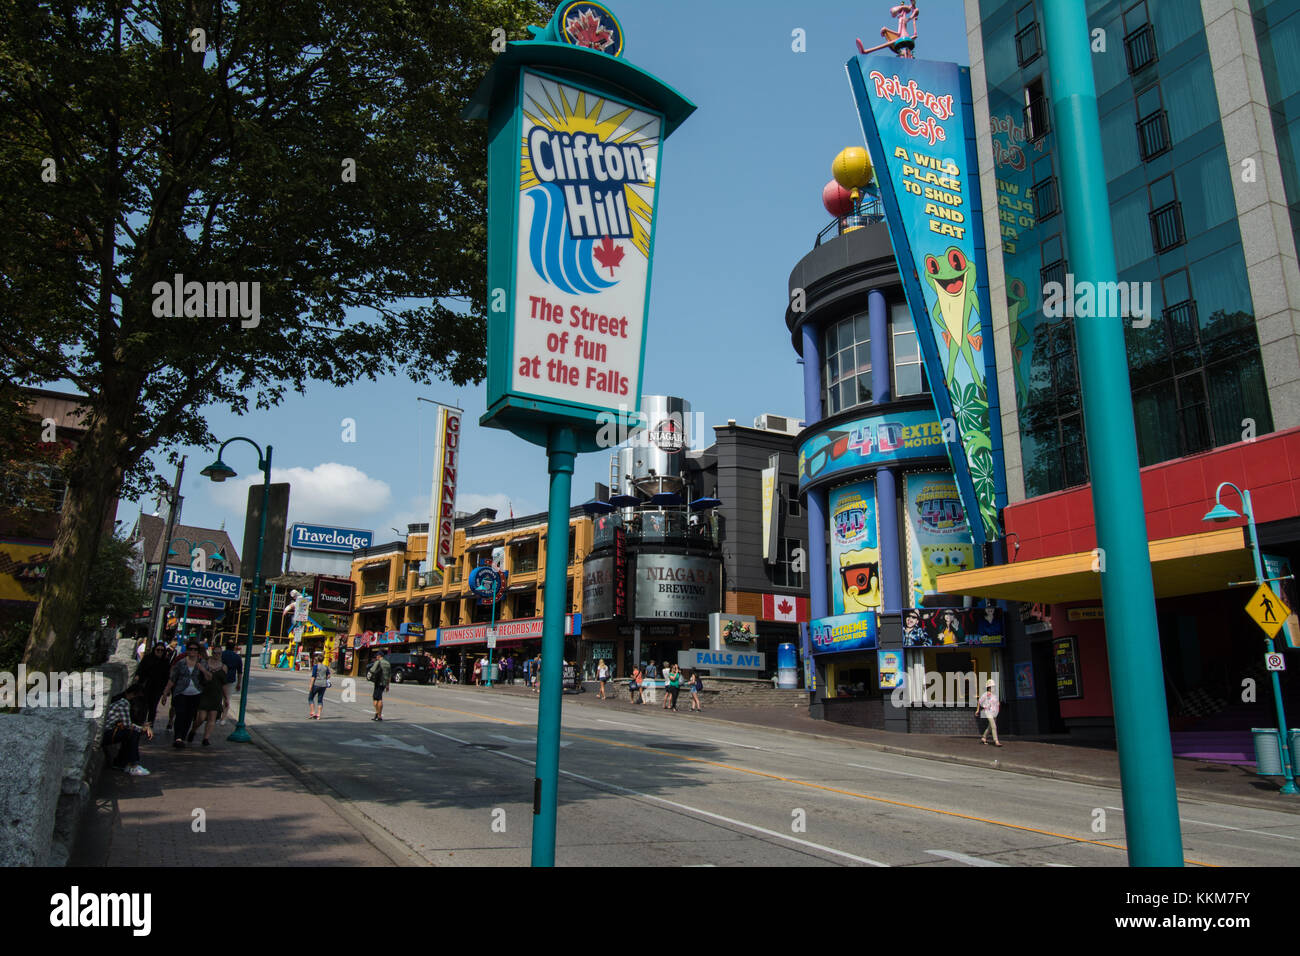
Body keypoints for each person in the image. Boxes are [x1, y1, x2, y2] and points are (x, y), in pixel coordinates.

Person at [160, 642, 207, 748]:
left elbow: (209, 678)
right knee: (180, 714)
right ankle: (178, 737)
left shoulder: (202, 663)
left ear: (198, 652)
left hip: (196, 693)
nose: (193, 651)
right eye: (191, 649)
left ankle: (183, 735)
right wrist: (165, 693)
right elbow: (172, 679)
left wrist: (203, 670)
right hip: (181, 692)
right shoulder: (181, 663)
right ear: (187, 650)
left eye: (195, 649)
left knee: (189, 716)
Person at [104, 682, 153, 775]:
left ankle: (122, 763)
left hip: (106, 732)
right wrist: (142, 729)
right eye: (135, 696)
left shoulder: (120, 700)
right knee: (132, 732)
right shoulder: (124, 703)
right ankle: (133, 764)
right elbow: (128, 725)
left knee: (131, 733)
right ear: (130, 694)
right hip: (106, 734)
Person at [134, 642, 172, 731]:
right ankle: (141, 724)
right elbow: (140, 669)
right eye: (158, 650)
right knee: (143, 706)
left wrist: (166, 691)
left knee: (153, 707)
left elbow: (167, 676)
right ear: (154, 650)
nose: (159, 652)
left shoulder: (165, 661)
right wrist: (138, 677)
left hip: (158, 688)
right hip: (146, 685)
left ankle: (149, 726)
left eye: (162, 650)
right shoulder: (148, 658)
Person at [193, 648, 227, 746]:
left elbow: (224, 684)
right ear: (212, 653)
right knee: (202, 717)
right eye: (215, 653)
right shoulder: (205, 663)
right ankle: (193, 729)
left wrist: (226, 698)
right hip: (204, 692)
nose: (217, 655)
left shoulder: (224, 667)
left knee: (212, 717)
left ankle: (206, 738)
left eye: (219, 653)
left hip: (216, 694)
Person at [220, 639, 242, 722]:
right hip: (230, 679)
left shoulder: (221, 655)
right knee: (227, 699)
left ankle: (216, 716)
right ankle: (223, 718)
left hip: (219, 679)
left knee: (218, 698)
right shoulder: (237, 657)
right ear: (234, 648)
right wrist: (239, 683)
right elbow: (239, 672)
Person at [367, 649, 391, 721]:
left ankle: (378, 714)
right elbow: (389, 675)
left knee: (377, 698)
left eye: (377, 656)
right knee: (379, 696)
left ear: (380, 656)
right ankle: (378, 714)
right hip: (384, 683)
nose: (376, 657)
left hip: (378, 682)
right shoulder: (388, 663)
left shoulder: (378, 662)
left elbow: (372, 670)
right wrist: (387, 685)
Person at [978, 679, 1002, 747]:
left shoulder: (995, 695)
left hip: (994, 712)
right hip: (988, 712)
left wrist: (998, 704)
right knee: (994, 726)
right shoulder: (985, 695)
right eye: (992, 687)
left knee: (990, 727)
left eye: (994, 687)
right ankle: (996, 741)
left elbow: (997, 703)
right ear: (989, 687)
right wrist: (978, 710)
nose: (994, 688)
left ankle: (984, 737)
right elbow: (979, 702)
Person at [308, 651, 331, 719]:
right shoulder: (326, 667)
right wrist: (324, 677)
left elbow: (313, 677)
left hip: (316, 684)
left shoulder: (315, 667)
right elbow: (329, 676)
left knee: (310, 698)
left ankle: (312, 712)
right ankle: (318, 715)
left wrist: (310, 685)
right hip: (323, 685)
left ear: (317, 659)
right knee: (320, 700)